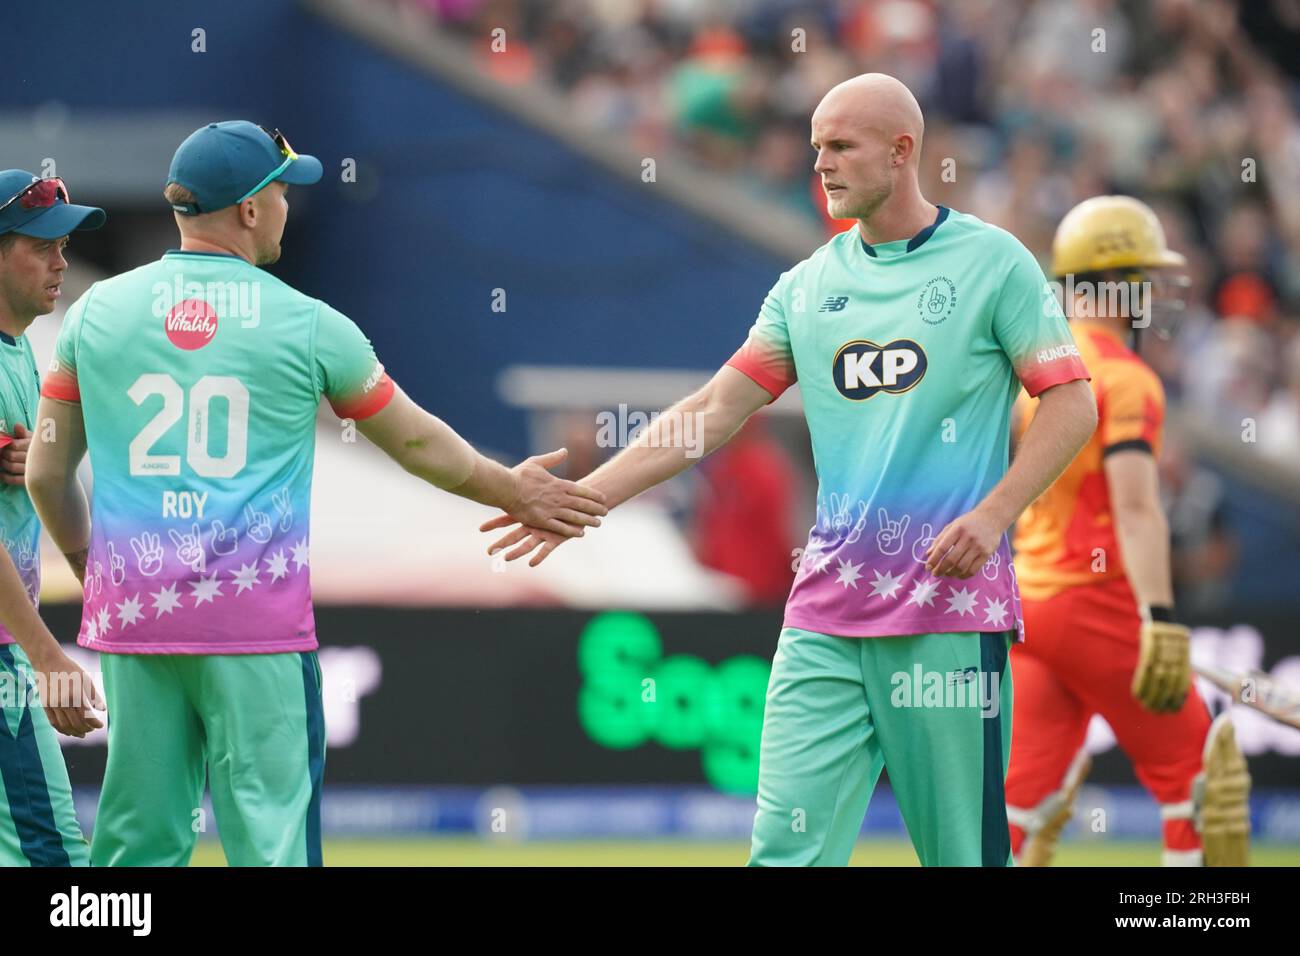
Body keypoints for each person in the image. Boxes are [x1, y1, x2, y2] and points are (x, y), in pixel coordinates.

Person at [484, 74, 1098, 866]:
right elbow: (711, 412)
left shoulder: (995, 264)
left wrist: (993, 513)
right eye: (816, 148)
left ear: (902, 151)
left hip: (947, 618)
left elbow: (1071, 404)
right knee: (783, 851)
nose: (823, 165)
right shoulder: (806, 288)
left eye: (842, 146)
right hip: (824, 622)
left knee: (966, 858)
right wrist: (584, 498)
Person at [26, 122, 606, 866]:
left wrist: (96, 574)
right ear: (249, 209)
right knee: (272, 841)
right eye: (281, 192)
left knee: (137, 844)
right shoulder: (307, 324)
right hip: (254, 631)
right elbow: (418, 443)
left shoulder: (96, 313)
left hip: (136, 624)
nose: (287, 208)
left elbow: (46, 474)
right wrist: (511, 489)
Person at [1004, 195, 1250, 867]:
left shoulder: (1032, 367)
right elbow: (1136, 507)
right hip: (1097, 600)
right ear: (1108, 280)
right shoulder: (1126, 378)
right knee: (1202, 782)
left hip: (1028, 604)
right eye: (1144, 277)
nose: (1155, 295)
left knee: (1018, 806)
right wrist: (1162, 617)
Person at [0, 169, 106, 866]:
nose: (61, 263)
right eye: (41, 245)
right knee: (55, 861)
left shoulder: (24, 354)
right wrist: (43, 656)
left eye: (65, 246)